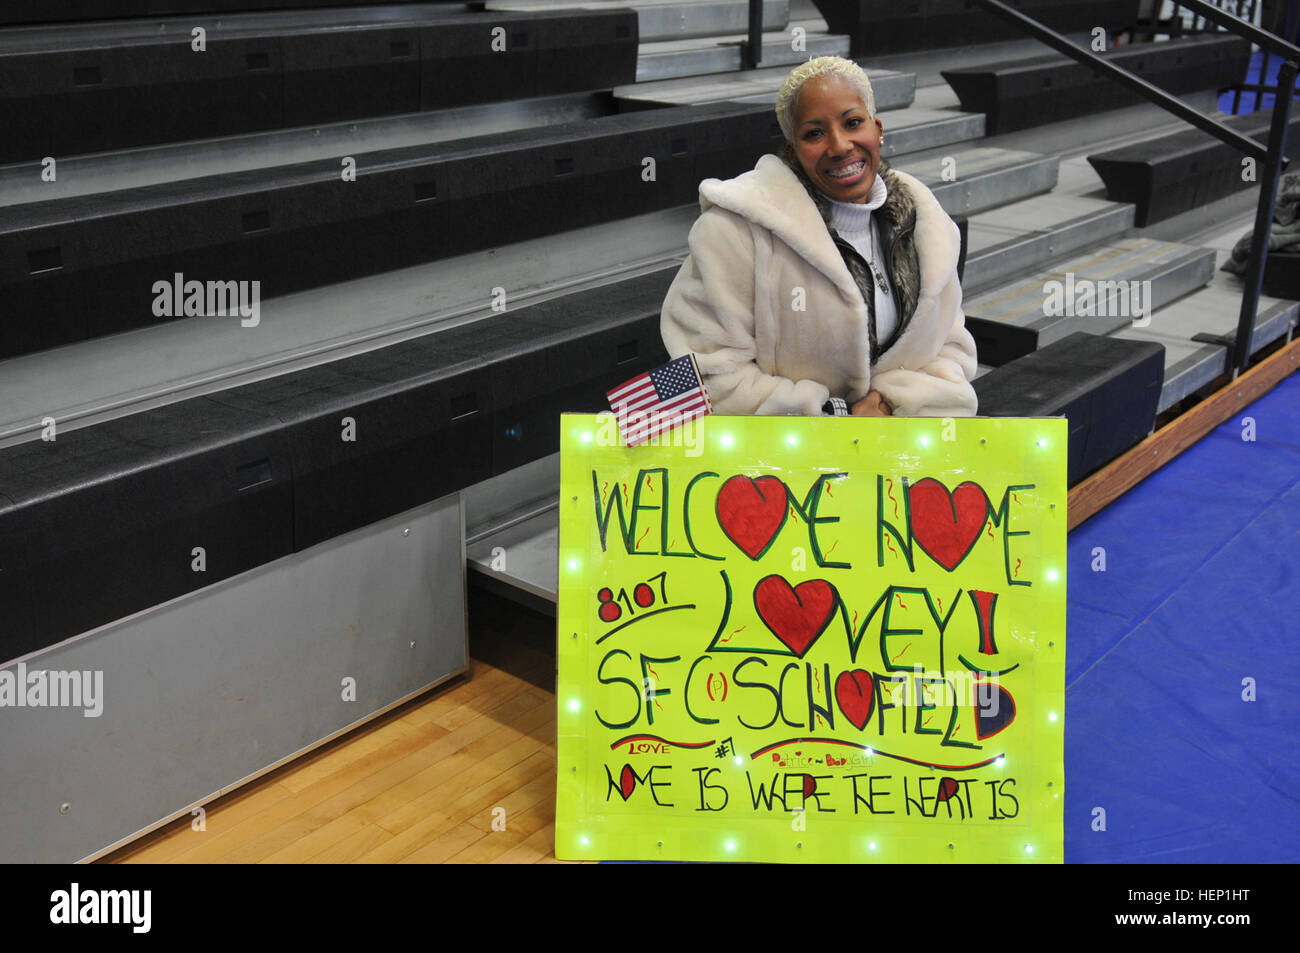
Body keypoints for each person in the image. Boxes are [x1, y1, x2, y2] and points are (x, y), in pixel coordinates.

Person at [660, 56, 978, 419]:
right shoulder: (733, 230)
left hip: (897, 453)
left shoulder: (926, 225)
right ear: (793, 152)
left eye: (853, 123)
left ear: (877, 129)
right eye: (814, 133)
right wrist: (836, 416)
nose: (840, 146)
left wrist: (891, 402)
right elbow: (706, 375)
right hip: (780, 463)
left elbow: (951, 348)